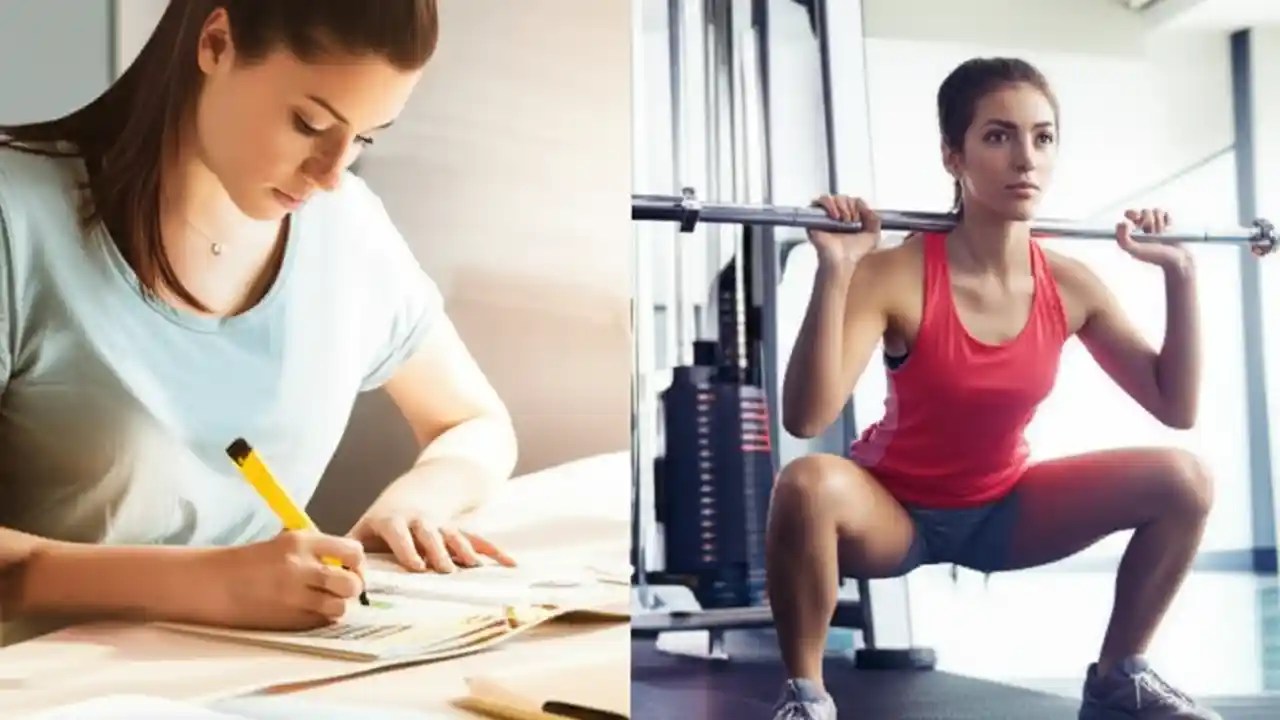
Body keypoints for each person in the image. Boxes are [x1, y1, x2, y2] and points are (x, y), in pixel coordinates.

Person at [0, 0, 520, 641]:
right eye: (308, 122)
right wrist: (207, 583)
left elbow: (475, 423)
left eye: (363, 138)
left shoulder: (346, 228)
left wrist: (417, 503)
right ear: (216, 43)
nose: (332, 174)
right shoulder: (14, 218)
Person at [768, 56, 1223, 719]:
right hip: (893, 514)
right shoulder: (894, 274)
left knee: (1185, 479)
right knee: (805, 483)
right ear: (954, 156)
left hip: (1004, 510)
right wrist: (836, 269)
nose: (1024, 159)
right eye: (998, 136)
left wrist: (1180, 275)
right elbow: (807, 417)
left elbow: (1174, 406)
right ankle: (806, 697)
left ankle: (1118, 676)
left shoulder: (1070, 284)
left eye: (1042, 137)